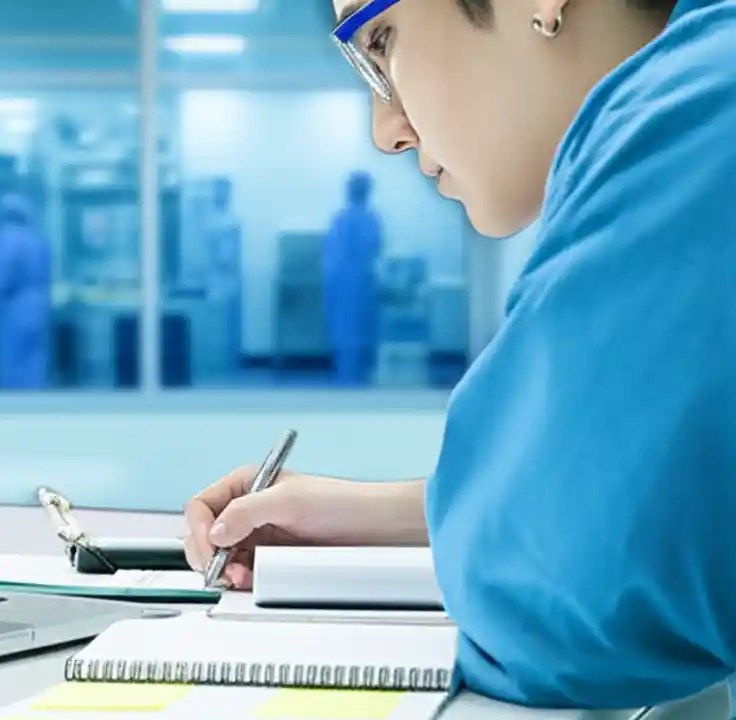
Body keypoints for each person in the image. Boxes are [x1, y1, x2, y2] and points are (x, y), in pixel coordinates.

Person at [185, 0, 736, 710]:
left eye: (379, 40)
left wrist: (483, 521)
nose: (386, 129)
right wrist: (380, 516)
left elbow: (563, 604)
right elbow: (681, 485)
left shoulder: (706, 116)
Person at [0, 192, 52, 389]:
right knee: (35, 360)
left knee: (12, 362)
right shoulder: (37, 238)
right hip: (38, 305)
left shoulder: (5, 238)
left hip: (15, 307)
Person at [323, 171, 383, 385]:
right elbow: (374, 248)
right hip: (357, 282)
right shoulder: (368, 219)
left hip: (346, 283)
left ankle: (348, 380)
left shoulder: (343, 219)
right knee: (354, 332)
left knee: (347, 332)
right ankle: (353, 380)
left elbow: (334, 254)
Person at [203, 178, 243, 370]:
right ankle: (215, 366)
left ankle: (229, 366)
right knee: (214, 326)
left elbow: (229, 255)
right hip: (215, 280)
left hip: (229, 279)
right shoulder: (209, 220)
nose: (220, 195)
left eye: (224, 191)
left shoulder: (232, 220)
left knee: (229, 327)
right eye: (217, 191)